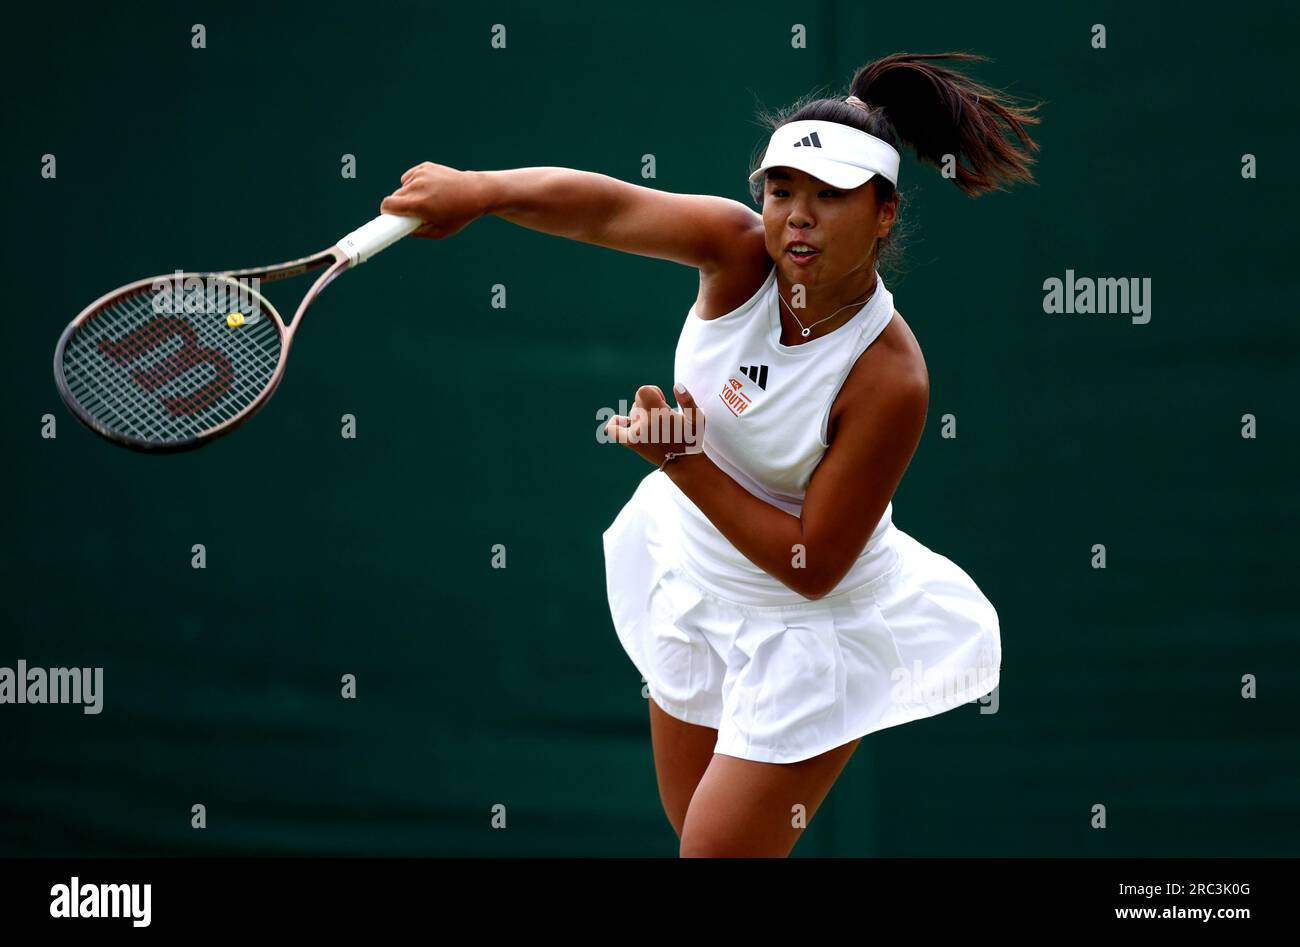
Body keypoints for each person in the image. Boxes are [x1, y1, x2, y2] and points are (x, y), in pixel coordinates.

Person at [381, 51, 1042, 857]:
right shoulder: (737, 251)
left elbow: (811, 564)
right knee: (694, 829)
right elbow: (608, 209)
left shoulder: (890, 377)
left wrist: (682, 463)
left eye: (828, 196)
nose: (795, 216)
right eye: (781, 190)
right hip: (692, 573)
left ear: (883, 213)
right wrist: (484, 192)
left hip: (809, 623)